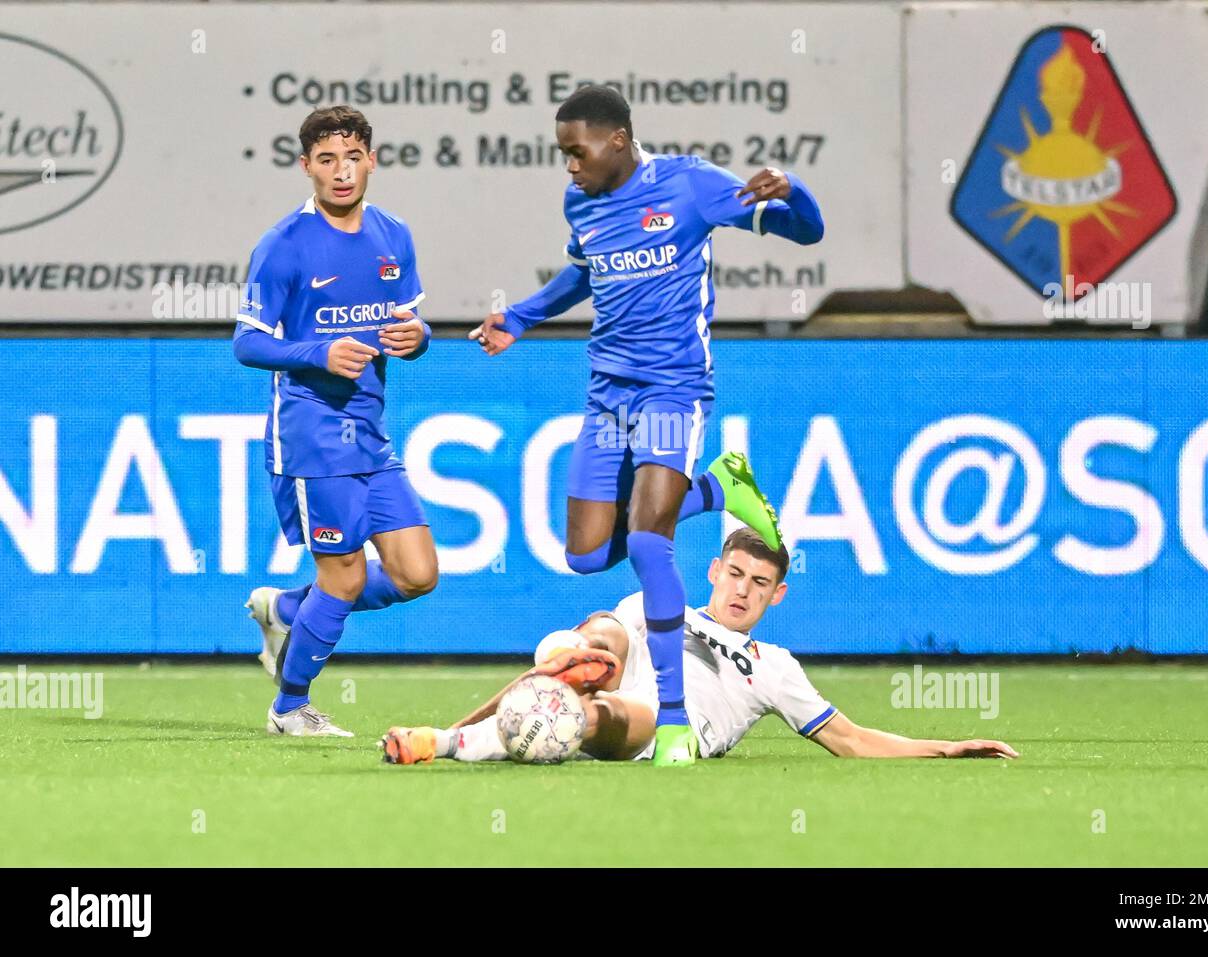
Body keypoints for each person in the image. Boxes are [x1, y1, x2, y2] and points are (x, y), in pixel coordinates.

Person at [467, 85, 825, 764]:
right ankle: (717, 491)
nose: (569, 166)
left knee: (648, 544)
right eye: (563, 154)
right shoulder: (583, 202)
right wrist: (518, 317)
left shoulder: (690, 186)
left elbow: (805, 231)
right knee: (584, 552)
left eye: (578, 152)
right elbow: (582, 274)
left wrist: (796, 190)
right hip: (608, 395)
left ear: (619, 141)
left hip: (672, 391)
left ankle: (671, 721)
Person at [381, 529, 1018, 764]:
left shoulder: (777, 667)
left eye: (761, 584)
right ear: (715, 570)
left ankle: (462, 740)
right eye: (736, 574)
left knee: (602, 711)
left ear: (778, 595)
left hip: (667, 733)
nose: (744, 591)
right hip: (612, 672)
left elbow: (848, 739)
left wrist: (945, 746)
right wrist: (580, 659)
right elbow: (587, 652)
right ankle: (448, 736)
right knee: (596, 642)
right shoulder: (662, 609)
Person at [235, 105, 438, 738]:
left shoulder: (393, 234)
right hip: (311, 434)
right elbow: (247, 343)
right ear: (307, 167)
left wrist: (419, 336)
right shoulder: (284, 246)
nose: (341, 171)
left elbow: (409, 322)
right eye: (327, 160)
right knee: (344, 576)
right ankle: (289, 706)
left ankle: (288, 609)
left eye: (353, 157)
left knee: (416, 574)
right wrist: (316, 352)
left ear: (372, 160)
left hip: (370, 435)